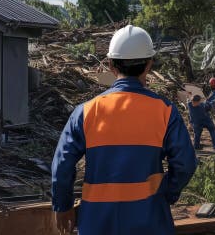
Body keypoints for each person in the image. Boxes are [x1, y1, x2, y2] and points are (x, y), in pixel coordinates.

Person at [51, 25, 197, 235]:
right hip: (151, 222)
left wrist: (62, 206)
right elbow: (185, 164)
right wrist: (167, 193)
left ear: (111, 65)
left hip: (97, 223)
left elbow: (62, 166)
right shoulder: (165, 112)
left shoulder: (86, 112)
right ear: (149, 65)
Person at [189, 78, 215, 150]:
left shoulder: (189, 104)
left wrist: (190, 122)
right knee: (212, 130)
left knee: (197, 134)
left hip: (197, 122)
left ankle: (196, 147)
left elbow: (190, 114)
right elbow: (210, 105)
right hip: (204, 120)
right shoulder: (202, 105)